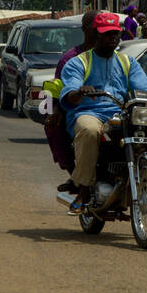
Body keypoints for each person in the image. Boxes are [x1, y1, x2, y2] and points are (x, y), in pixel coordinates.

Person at [60, 12, 147, 213]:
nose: (113, 38)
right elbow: (69, 93)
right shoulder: (78, 62)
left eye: (115, 34)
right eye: (107, 34)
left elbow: (144, 86)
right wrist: (79, 91)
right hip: (89, 112)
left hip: (120, 112)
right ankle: (83, 189)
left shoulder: (128, 62)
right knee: (90, 130)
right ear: (96, 34)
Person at [45, 10, 98, 193]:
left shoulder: (114, 56)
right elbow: (56, 88)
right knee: (54, 126)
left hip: (106, 109)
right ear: (84, 29)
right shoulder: (70, 58)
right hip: (76, 109)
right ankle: (75, 176)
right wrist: (56, 110)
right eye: (94, 25)